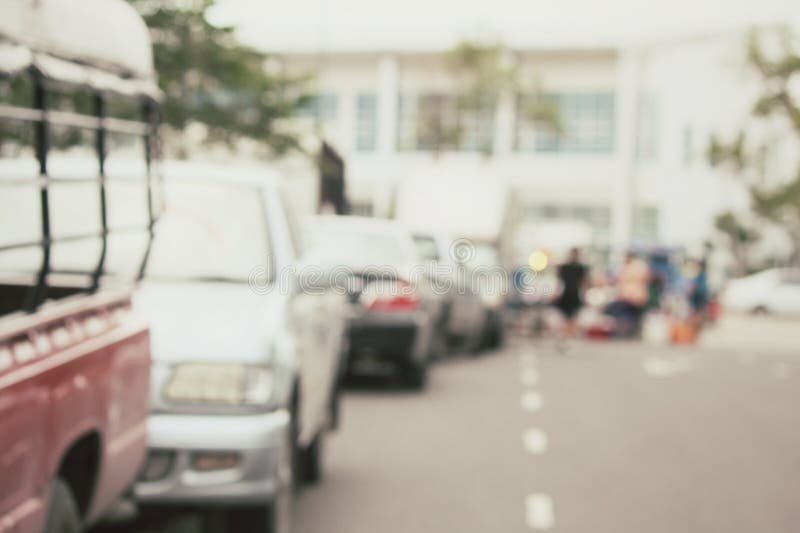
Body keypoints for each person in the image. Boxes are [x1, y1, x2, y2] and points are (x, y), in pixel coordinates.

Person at [554, 248, 588, 340]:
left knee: (572, 315)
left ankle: (569, 332)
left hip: (574, 294)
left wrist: (584, 295)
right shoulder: (565, 267)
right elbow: (559, 282)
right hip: (567, 293)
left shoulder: (580, 268)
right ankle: (568, 332)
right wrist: (556, 293)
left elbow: (583, 283)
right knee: (568, 315)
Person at [615, 251, 650, 336]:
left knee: (629, 315)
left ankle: (629, 332)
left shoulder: (634, 266)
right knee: (632, 316)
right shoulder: (640, 266)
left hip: (633, 295)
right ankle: (631, 332)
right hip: (634, 295)